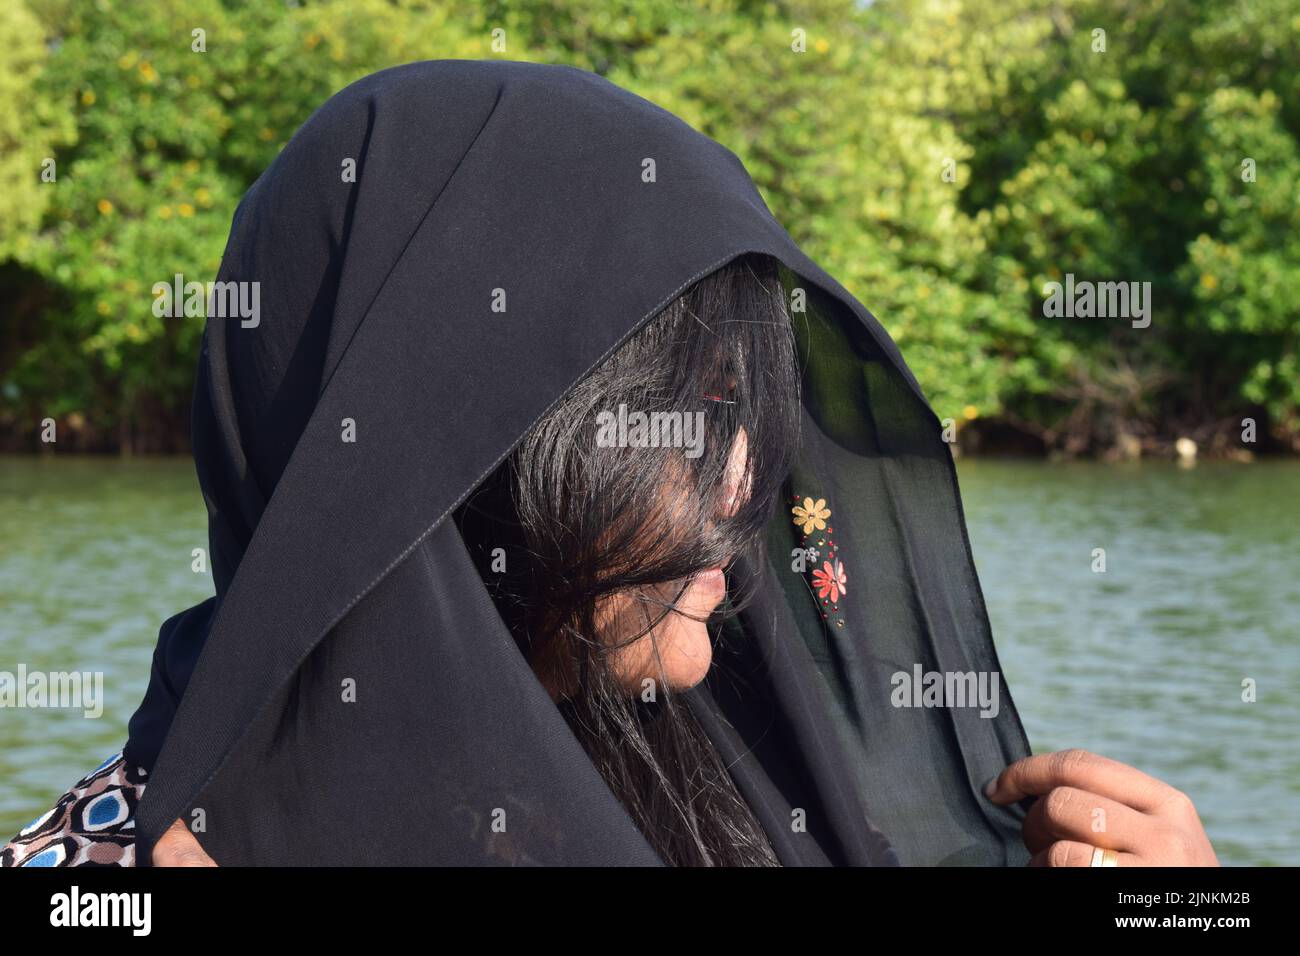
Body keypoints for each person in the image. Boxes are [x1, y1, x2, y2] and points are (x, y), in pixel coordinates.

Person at [3, 61, 1217, 868]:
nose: (746, 481)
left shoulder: (727, 770)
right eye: (683, 417)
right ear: (458, 447)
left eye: (745, 412)